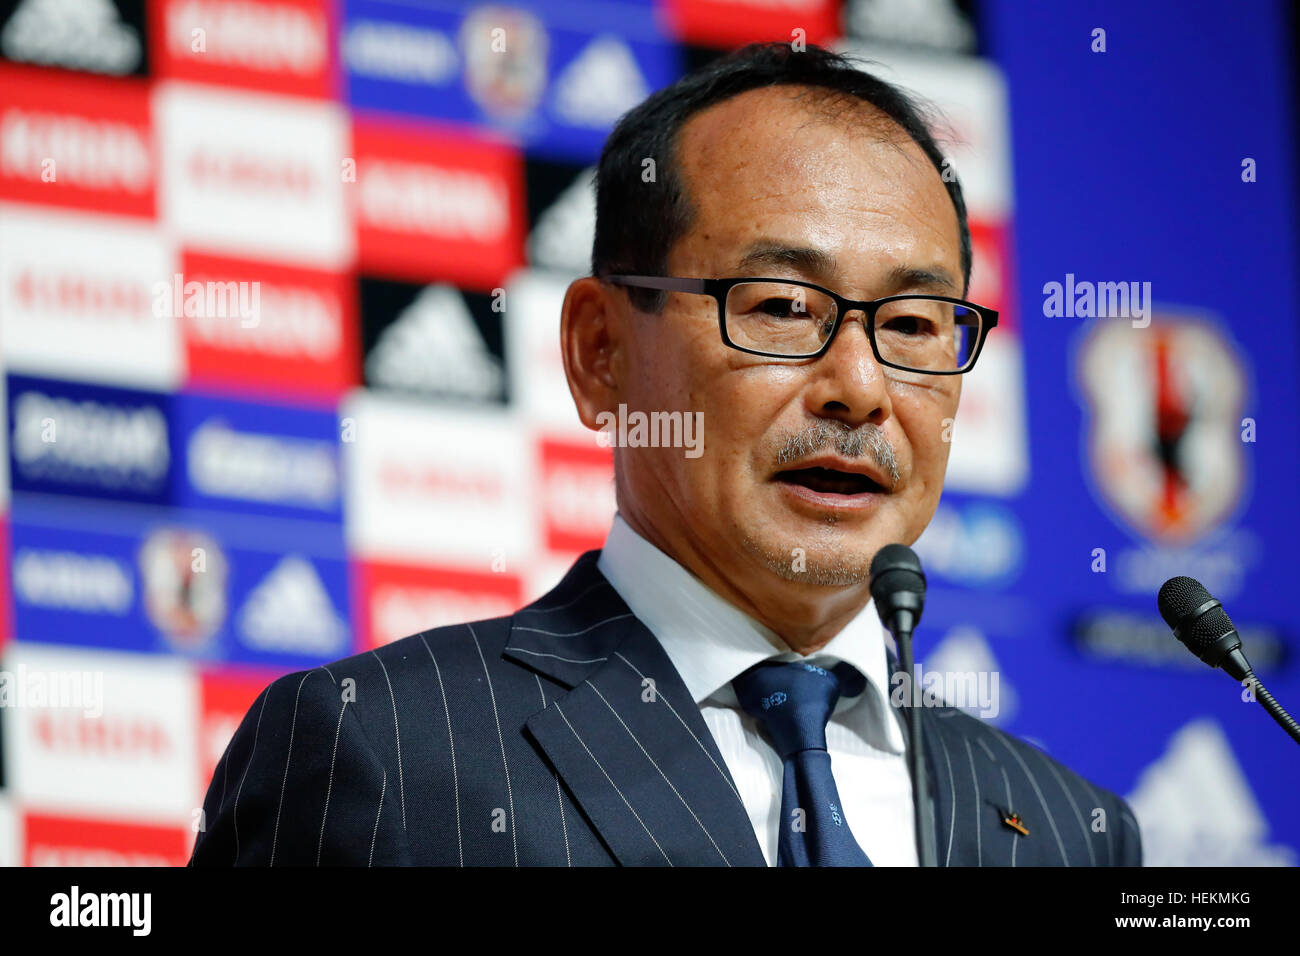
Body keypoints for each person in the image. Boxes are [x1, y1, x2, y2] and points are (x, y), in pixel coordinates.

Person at [191, 42, 1141, 867]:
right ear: (600, 351)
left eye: (914, 323)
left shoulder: (1071, 831)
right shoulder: (386, 751)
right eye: (780, 307)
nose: (860, 386)